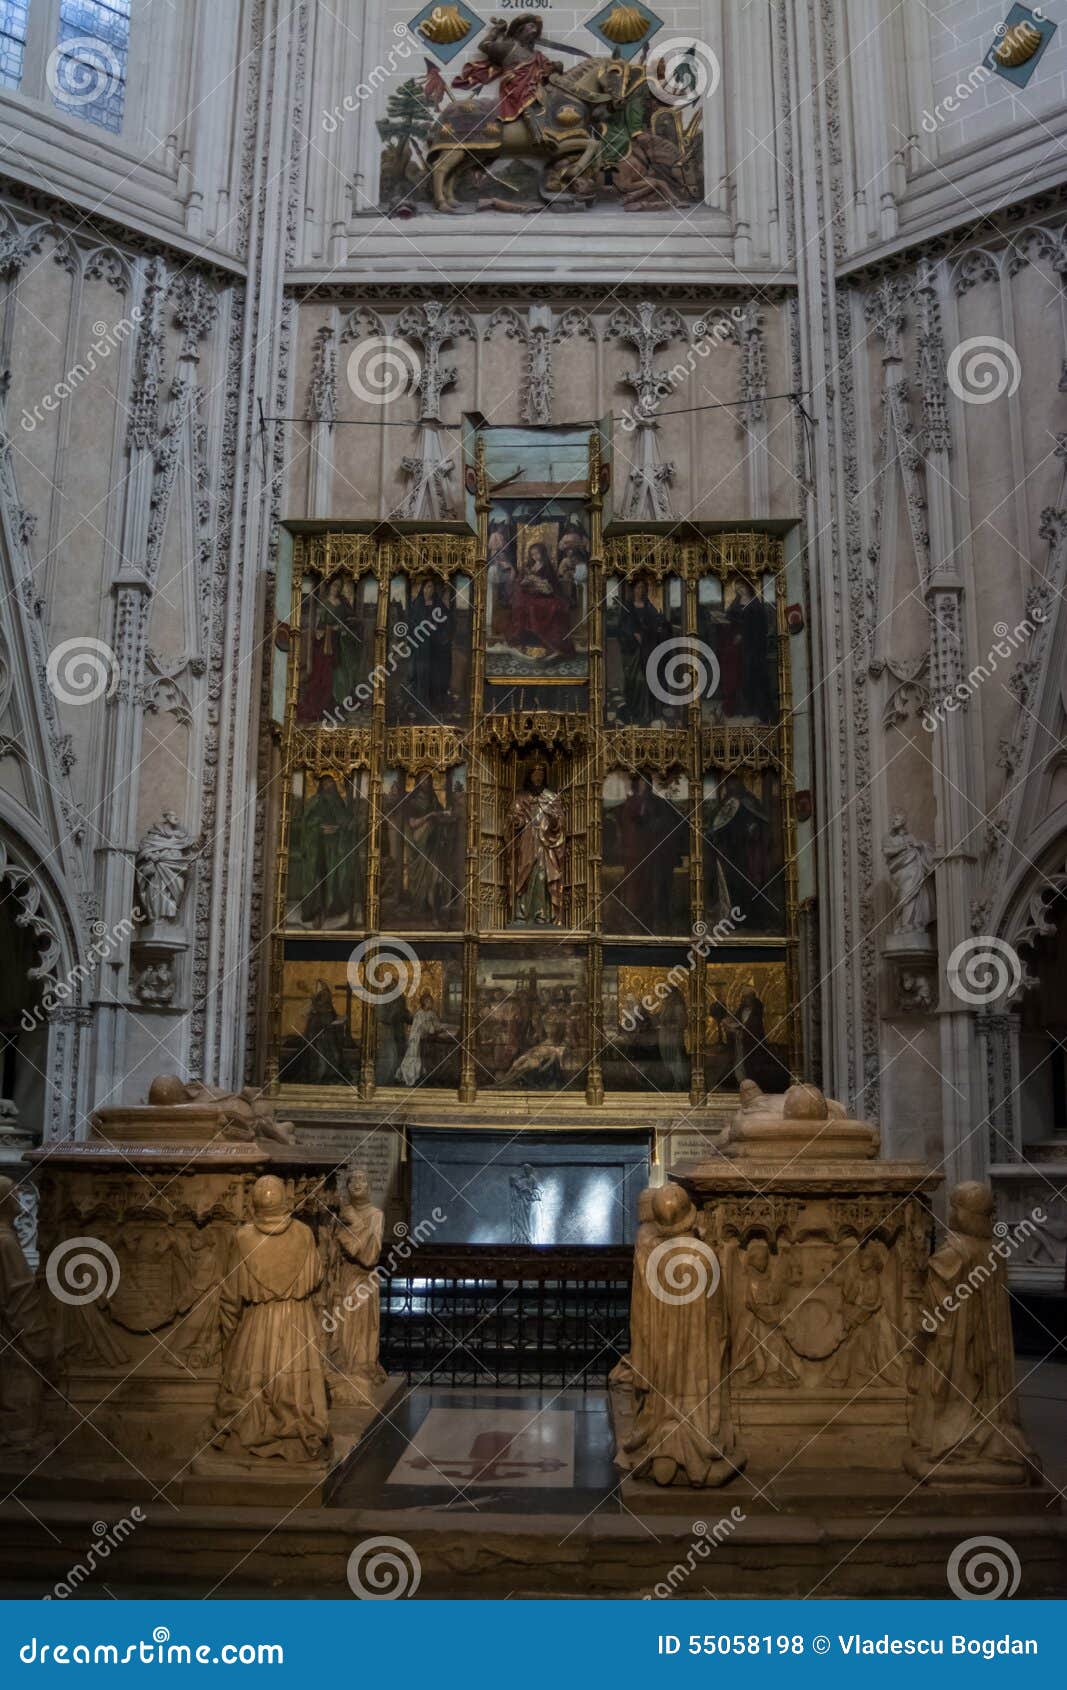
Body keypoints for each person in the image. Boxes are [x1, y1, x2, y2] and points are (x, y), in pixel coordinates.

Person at [211, 1176, 329, 1463]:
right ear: (284, 1200)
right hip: (298, 1321)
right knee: (296, 1386)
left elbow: (230, 1296)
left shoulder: (242, 1238)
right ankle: (294, 1425)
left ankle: (256, 1427)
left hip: (256, 1324)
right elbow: (316, 1278)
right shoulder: (303, 1233)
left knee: (252, 1377)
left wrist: (229, 1342)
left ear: (253, 1203)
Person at [0, 1176, 54, 1453]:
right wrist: (40, 1342)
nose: (20, 1208)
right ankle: (18, 1439)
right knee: (17, 1382)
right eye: (13, 1199)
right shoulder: (5, 1243)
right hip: (9, 1337)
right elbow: (20, 1300)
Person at [326, 1168, 386, 1403]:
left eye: (363, 1180)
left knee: (359, 1328)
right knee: (341, 1327)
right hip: (342, 1277)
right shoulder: (340, 1213)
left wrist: (350, 1228)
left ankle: (360, 1367)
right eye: (353, 1180)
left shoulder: (375, 1214)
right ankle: (344, 1369)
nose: (357, 1184)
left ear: (370, 1186)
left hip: (362, 1279)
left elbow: (369, 1255)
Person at [452, 16, 563, 122]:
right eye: (531, 27)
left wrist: (556, 66)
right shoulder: (509, 46)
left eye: (536, 30)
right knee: (529, 105)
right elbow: (484, 45)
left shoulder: (537, 55)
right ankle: (536, 135)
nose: (534, 31)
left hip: (535, 87)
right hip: (517, 86)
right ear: (520, 30)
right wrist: (497, 30)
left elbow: (548, 69)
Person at [509, 761, 566, 925]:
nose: (538, 778)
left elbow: (560, 824)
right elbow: (513, 819)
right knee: (524, 874)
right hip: (527, 841)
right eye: (535, 775)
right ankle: (521, 913)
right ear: (529, 776)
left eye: (541, 775)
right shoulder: (521, 797)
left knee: (542, 876)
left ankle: (542, 915)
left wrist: (555, 821)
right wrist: (516, 821)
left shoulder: (551, 797)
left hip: (545, 844)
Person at [615, 578, 671, 724]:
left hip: (647, 649)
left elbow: (657, 623)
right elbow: (621, 627)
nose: (640, 591)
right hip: (632, 652)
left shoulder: (648, 606)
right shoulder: (627, 607)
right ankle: (635, 710)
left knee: (647, 679)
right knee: (635, 681)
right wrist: (633, 633)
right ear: (633, 590)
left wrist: (658, 627)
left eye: (643, 588)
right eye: (638, 588)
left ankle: (647, 713)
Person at [509, 542, 575, 656]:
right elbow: (523, 581)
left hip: (545, 596)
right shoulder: (531, 566)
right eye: (532, 554)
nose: (534, 556)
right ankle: (527, 639)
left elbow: (552, 586)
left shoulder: (547, 567)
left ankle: (542, 640)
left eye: (537, 554)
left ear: (543, 553)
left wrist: (540, 585)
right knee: (521, 605)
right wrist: (526, 582)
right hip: (531, 594)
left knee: (534, 607)